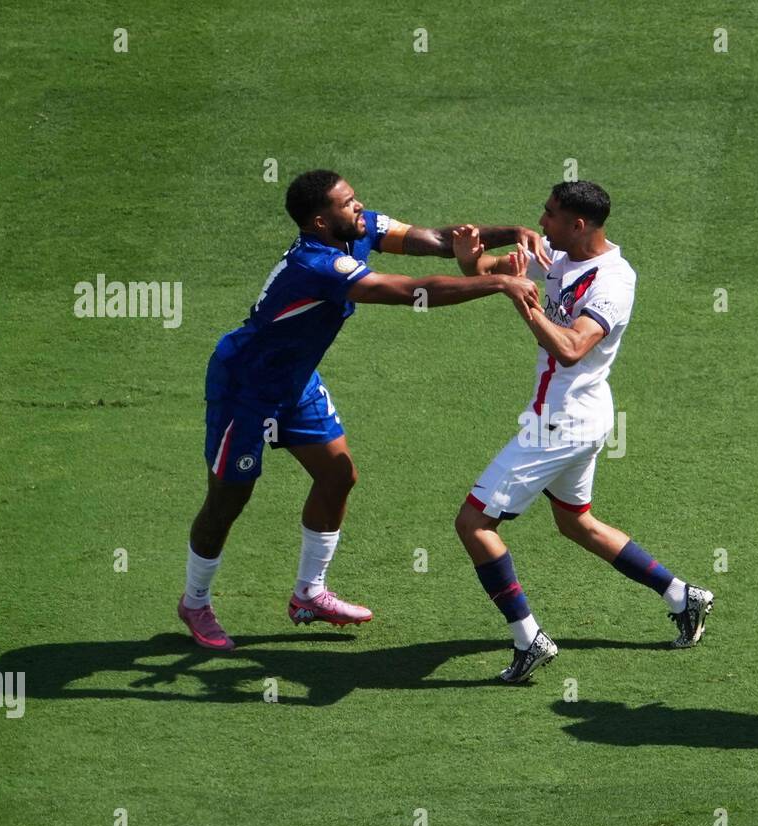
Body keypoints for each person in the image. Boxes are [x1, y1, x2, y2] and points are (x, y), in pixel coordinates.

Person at [179, 169, 541, 651]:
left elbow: (434, 239)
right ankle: (195, 601)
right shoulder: (317, 264)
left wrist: (508, 233)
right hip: (245, 388)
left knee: (338, 476)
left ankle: (309, 593)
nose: (359, 207)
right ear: (319, 221)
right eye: (346, 203)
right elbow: (406, 291)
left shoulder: (360, 228)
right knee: (230, 499)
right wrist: (495, 284)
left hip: (298, 383)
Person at [452, 181, 714, 683]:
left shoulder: (612, 282)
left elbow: (572, 348)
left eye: (550, 215)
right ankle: (683, 595)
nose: (540, 222)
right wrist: (472, 261)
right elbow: (490, 274)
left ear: (579, 224)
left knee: (474, 524)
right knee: (577, 524)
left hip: (560, 424)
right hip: (576, 416)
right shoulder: (558, 253)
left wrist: (522, 303)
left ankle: (529, 639)